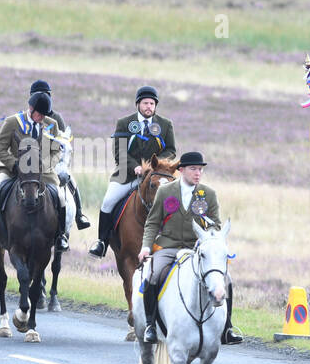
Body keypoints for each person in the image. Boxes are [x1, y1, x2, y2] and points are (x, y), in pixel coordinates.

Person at [139, 150, 241, 345]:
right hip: (170, 246)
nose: (197, 173)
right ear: (182, 170)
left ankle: (227, 328)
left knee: (226, 279)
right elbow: (152, 223)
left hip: (197, 249)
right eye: (193, 169)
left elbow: (216, 226)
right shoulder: (165, 191)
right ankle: (151, 325)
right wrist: (145, 247)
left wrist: (208, 232)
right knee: (153, 274)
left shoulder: (208, 194)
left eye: (200, 169)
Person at [88, 85, 177, 258]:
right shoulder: (125, 123)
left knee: (172, 204)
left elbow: (171, 150)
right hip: (127, 176)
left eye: (152, 103)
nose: (149, 106)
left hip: (155, 177)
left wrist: (155, 165)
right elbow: (119, 150)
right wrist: (135, 166)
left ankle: (176, 241)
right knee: (107, 202)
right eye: (145, 103)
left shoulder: (165, 125)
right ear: (138, 104)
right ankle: (101, 242)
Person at [0, 91, 69, 251]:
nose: (42, 118)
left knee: (61, 197)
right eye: (39, 114)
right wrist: (14, 164)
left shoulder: (51, 124)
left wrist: (45, 165)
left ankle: (61, 236)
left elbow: (57, 151)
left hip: (43, 173)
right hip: (13, 169)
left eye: (44, 114)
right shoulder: (13, 122)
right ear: (31, 108)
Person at [26, 79, 90, 231]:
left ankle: (79, 215)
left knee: (71, 182)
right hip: (28, 163)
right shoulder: (24, 117)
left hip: (52, 163)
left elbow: (62, 143)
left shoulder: (56, 118)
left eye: (45, 95)